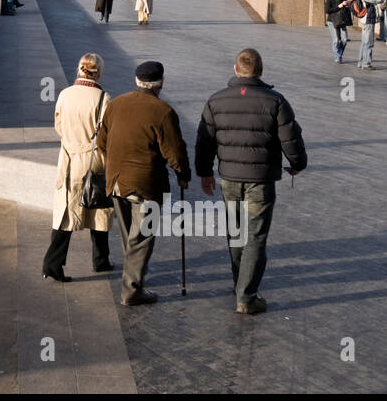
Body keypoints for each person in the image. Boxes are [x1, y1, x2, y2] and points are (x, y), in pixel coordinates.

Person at [194, 48, 307, 314]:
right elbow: (290, 138)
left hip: (229, 179)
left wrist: (204, 173)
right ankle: (247, 296)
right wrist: (297, 164)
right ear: (261, 71)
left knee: (236, 232)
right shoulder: (275, 101)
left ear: (236, 70)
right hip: (261, 180)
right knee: (255, 235)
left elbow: (204, 141)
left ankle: (239, 284)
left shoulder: (215, 100)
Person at [96, 61, 192, 306]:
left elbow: (102, 142)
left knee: (130, 233)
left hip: (116, 180)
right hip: (145, 183)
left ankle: (133, 276)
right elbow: (175, 151)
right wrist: (183, 173)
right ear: (161, 83)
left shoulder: (115, 104)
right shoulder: (162, 111)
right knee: (143, 235)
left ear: (136, 80)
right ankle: (131, 290)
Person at [43, 53, 115, 281]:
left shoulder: (64, 94)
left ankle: (53, 264)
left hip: (68, 159)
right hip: (94, 159)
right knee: (100, 209)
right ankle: (100, 261)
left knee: (66, 211)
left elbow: (59, 126)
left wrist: (72, 142)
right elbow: (106, 134)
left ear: (80, 69)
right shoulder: (103, 98)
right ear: (99, 72)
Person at [346, 0, 386, 70]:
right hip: (368, 20)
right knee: (369, 42)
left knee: (364, 42)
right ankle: (366, 64)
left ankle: (361, 62)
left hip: (364, 20)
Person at [324, 0, 352, 64]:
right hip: (332, 21)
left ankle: (339, 53)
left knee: (344, 39)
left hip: (341, 20)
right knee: (336, 40)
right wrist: (339, 6)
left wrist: (346, 5)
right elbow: (327, 10)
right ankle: (337, 57)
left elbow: (346, 9)